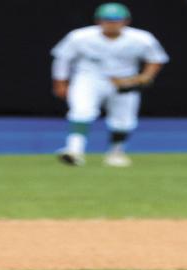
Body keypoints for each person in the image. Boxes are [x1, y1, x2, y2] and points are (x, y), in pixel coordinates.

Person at [50, 3, 169, 168]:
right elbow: (62, 58)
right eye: (107, 20)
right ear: (98, 21)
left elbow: (156, 58)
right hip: (89, 78)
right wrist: (60, 82)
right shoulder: (79, 36)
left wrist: (145, 77)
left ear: (126, 21)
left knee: (124, 119)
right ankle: (74, 150)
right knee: (81, 110)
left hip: (124, 80)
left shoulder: (142, 38)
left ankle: (116, 152)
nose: (112, 23)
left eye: (116, 20)